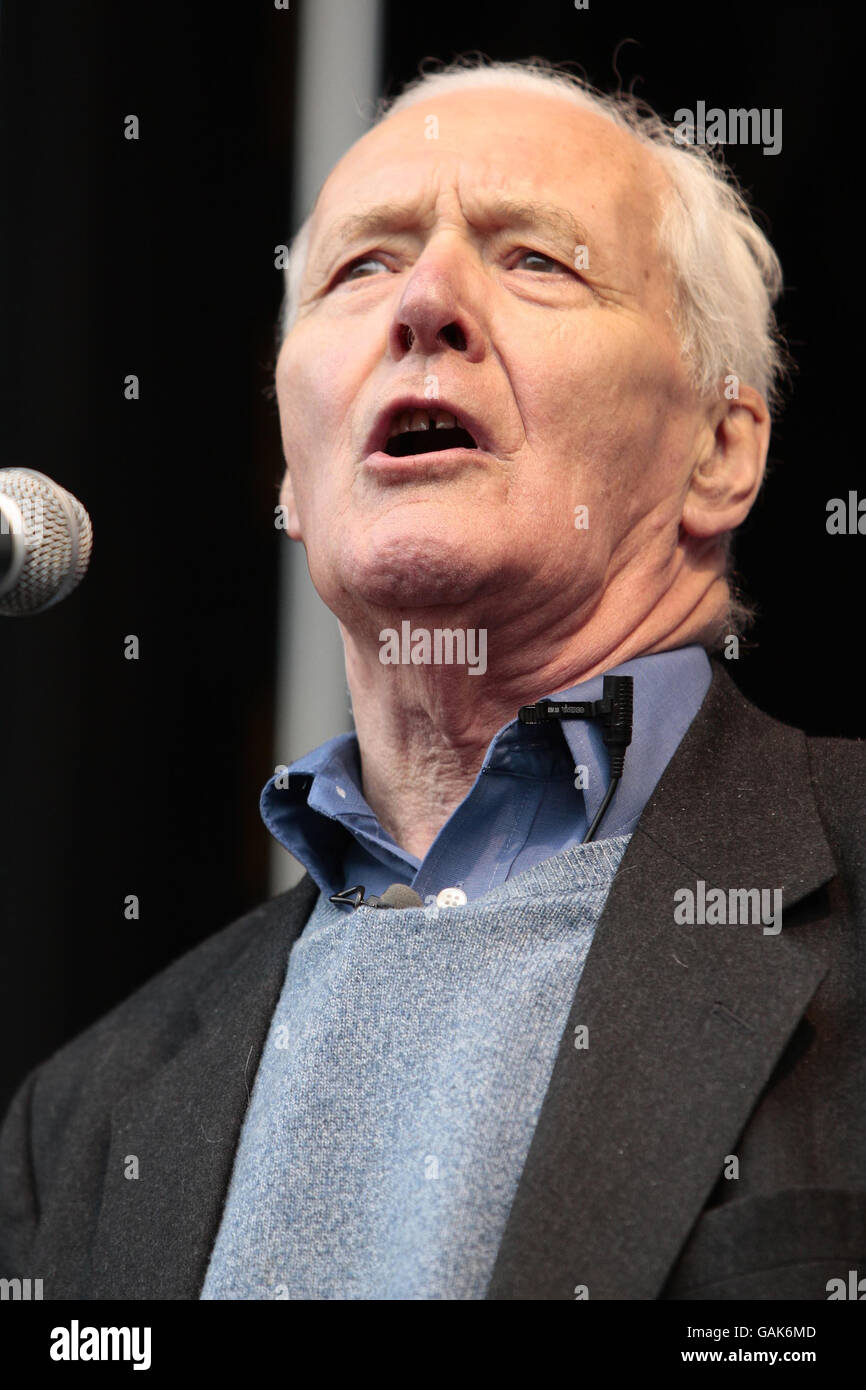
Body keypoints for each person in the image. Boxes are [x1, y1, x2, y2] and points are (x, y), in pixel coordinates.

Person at [1, 58, 864, 1301]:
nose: (424, 303)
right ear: (292, 473)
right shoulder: (81, 1123)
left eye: (535, 261)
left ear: (718, 449)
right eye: (361, 266)